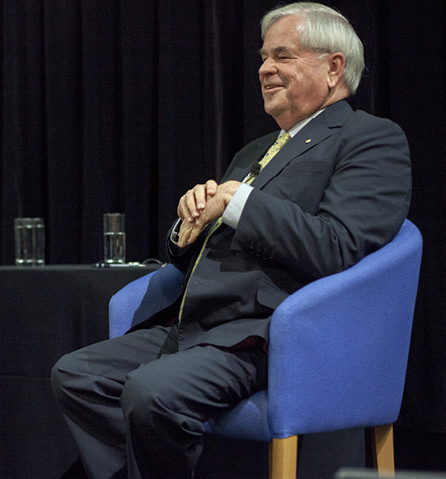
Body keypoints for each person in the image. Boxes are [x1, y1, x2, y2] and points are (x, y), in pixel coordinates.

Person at [51, 3, 412, 478]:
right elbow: (201, 250)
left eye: (282, 56)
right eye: (264, 57)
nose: (264, 69)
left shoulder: (369, 139)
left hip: (265, 334)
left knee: (152, 392)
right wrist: (189, 226)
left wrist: (239, 202)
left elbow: (338, 246)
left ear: (333, 67)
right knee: (76, 376)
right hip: (195, 325)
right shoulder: (254, 151)